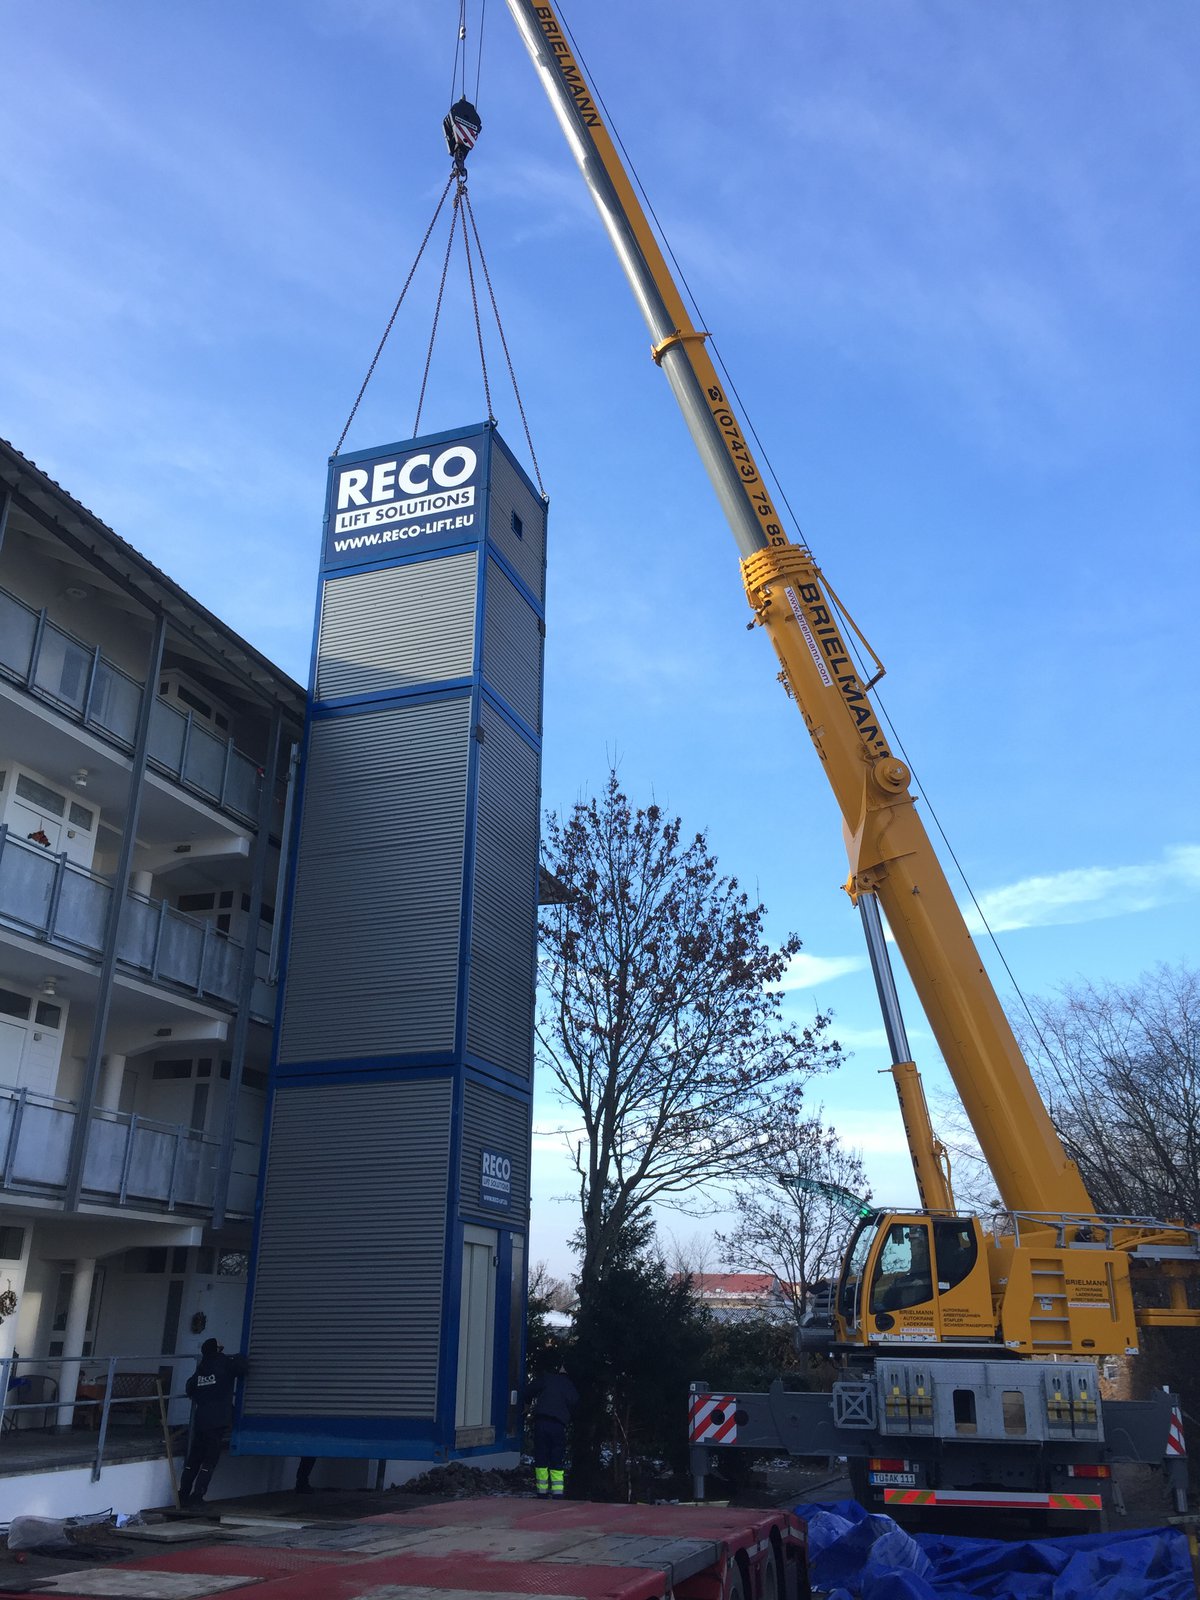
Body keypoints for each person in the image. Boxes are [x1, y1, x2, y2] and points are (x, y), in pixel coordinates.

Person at [179, 1338, 248, 1509]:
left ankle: (182, 1494)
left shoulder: (202, 1368)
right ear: (218, 1350)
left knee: (193, 1460)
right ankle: (197, 1496)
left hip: (201, 1420)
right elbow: (243, 1368)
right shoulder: (224, 1363)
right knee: (209, 1460)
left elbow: (190, 1388)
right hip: (217, 1421)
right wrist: (240, 1356)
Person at [525, 1358, 577, 1499]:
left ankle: (541, 1493)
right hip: (558, 1425)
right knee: (556, 1458)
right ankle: (557, 1494)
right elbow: (575, 1403)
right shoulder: (569, 1386)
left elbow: (529, 1389)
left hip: (541, 1422)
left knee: (541, 1456)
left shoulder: (547, 1379)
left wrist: (527, 1404)